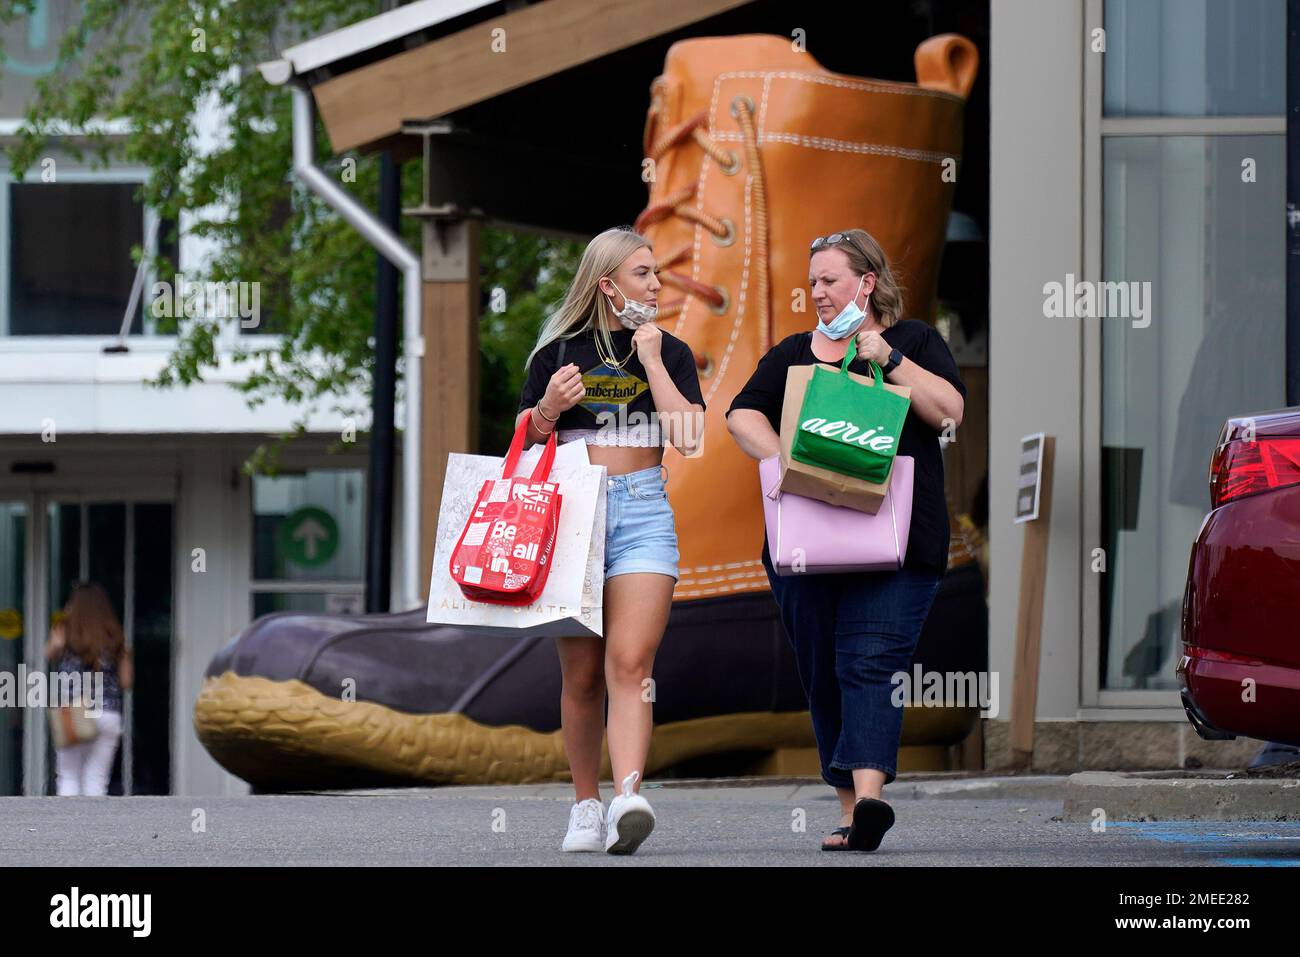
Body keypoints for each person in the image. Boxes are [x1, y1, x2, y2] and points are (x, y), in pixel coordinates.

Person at [726, 228, 966, 852]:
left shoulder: (914, 342)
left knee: (870, 662)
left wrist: (884, 356)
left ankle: (870, 801)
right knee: (824, 669)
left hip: (899, 543)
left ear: (866, 282)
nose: (819, 294)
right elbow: (740, 412)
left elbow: (948, 413)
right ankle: (850, 809)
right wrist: (787, 461)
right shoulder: (790, 355)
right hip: (807, 544)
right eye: (812, 284)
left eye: (829, 281)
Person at [516, 225, 706, 854]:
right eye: (643, 274)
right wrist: (547, 407)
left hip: (644, 508)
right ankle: (584, 806)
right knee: (581, 675)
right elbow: (521, 445)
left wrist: (651, 358)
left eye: (655, 273)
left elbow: (688, 436)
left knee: (631, 663)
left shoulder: (670, 351)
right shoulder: (557, 353)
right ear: (607, 284)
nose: (656, 284)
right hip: (573, 514)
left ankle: (627, 795)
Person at [44, 582, 133, 796]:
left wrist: (60, 630)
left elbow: (49, 654)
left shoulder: (65, 631)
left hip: (74, 712)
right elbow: (126, 682)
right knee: (96, 779)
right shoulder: (115, 637)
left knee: (68, 776)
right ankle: (94, 829)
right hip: (107, 713)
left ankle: (68, 828)